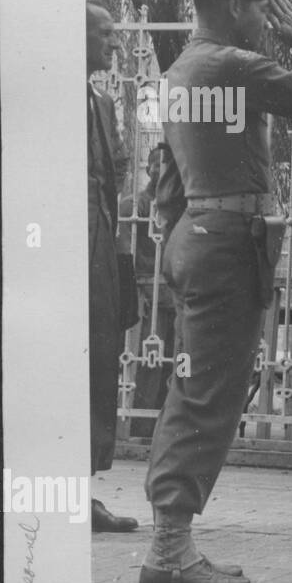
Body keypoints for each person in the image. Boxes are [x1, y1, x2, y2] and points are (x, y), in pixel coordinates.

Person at [140, 0, 292, 583]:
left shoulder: (179, 72)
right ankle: (168, 554)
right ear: (234, 6)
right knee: (205, 396)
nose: (267, 18)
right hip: (227, 247)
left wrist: (178, 254)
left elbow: (166, 182)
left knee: (195, 389)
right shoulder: (233, 65)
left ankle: (173, 545)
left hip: (197, 242)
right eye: (262, 6)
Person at [87, 3, 140, 533]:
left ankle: (83, 490)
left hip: (99, 248)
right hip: (60, 255)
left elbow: (117, 169)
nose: (115, 45)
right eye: (105, 35)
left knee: (99, 364)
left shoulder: (101, 103)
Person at [118, 144, 175, 438]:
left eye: (166, 164)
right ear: (148, 169)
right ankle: (141, 427)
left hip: (174, 292)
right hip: (148, 292)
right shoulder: (135, 205)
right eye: (156, 164)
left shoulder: (179, 205)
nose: (160, 169)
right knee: (150, 361)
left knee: (175, 360)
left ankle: (165, 429)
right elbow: (129, 251)